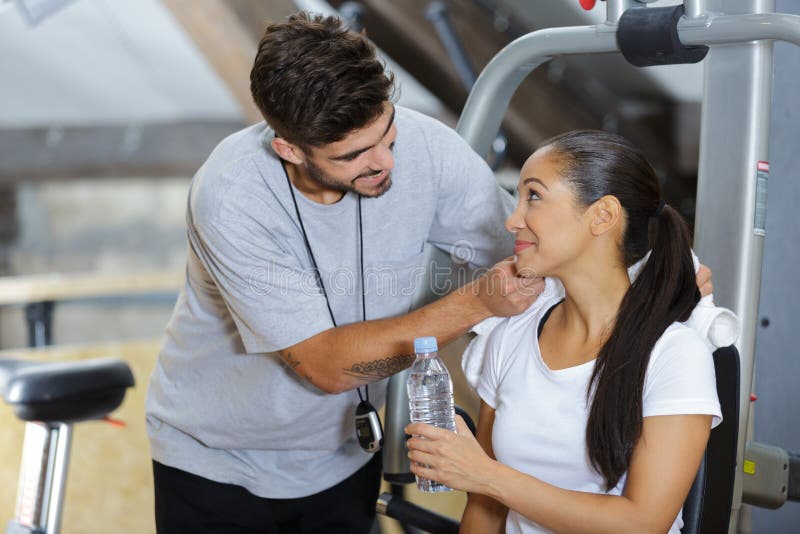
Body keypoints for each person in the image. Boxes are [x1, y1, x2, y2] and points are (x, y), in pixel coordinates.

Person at [144, 12, 545, 534]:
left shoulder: (427, 149)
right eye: (354, 155)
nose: (384, 163)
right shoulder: (234, 196)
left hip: (344, 457)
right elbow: (327, 367)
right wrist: (477, 302)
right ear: (288, 149)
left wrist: (661, 270)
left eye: (387, 134)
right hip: (216, 464)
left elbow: (533, 244)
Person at [406, 130, 722, 534]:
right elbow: (485, 510)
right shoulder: (511, 336)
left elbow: (642, 523)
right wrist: (481, 479)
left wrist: (484, 474)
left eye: (533, 196)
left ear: (603, 216)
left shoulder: (674, 354)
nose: (512, 219)